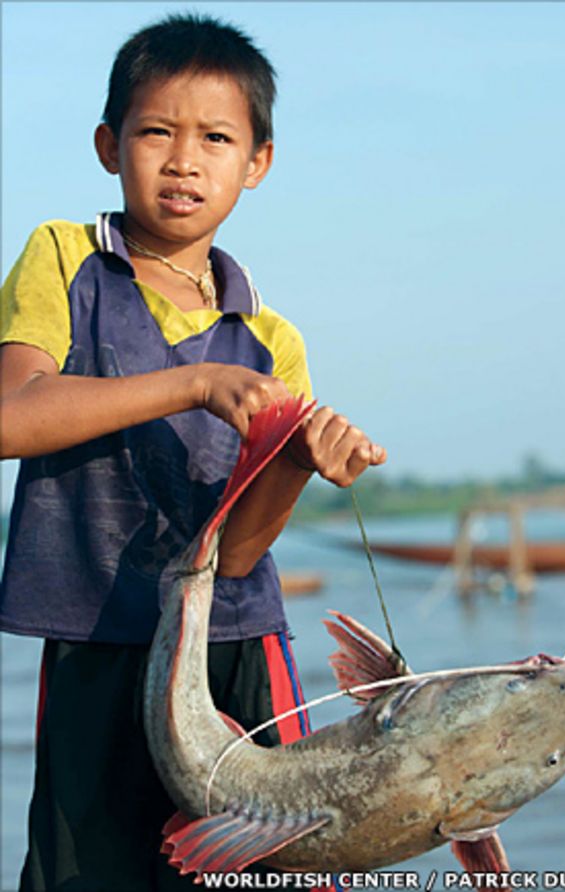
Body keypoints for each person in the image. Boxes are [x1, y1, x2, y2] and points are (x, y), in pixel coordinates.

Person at [0, 13, 386, 892]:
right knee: (85, 874)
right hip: (98, 635)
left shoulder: (270, 335)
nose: (184, 160)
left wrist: (297, 459)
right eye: (155, 133)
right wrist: (192, 382)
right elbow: (11, 417)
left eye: (215, 138)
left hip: (239, 647)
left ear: (257, 164)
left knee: (273, 867)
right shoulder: (66, 260)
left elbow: (241, 551)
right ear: (109, 145)